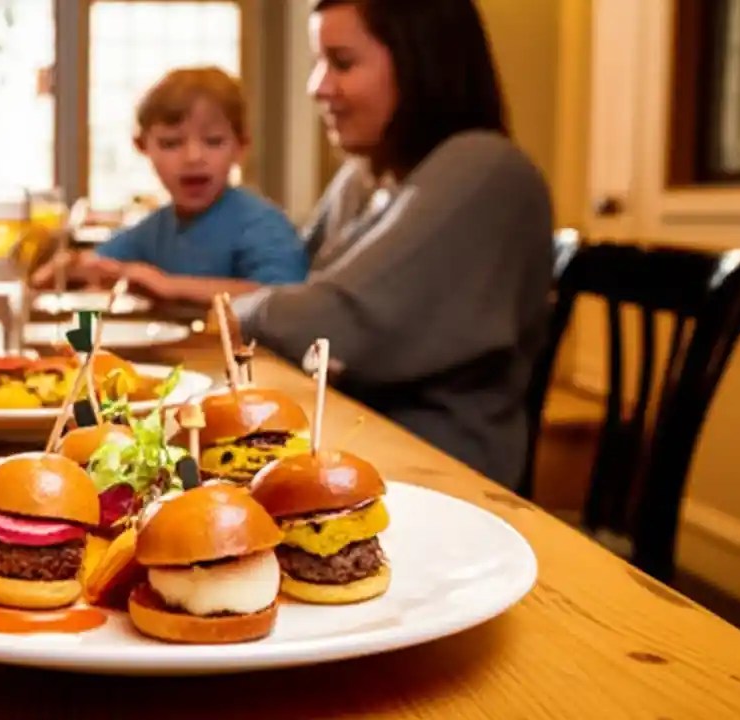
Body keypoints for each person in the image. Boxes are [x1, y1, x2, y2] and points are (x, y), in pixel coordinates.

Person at [231, 0, 554, 488]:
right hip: (354, 436)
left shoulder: (485, 168)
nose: (317, 86)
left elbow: (328, 322)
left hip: (442, 471)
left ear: (421, 61)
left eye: (341, 62)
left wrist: (226, 308)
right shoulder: (364, 174)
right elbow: (290, 280)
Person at [32, 67, 306, 304]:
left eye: (213, 141)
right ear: (142, 147)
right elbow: (99, 264)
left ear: (241, 147)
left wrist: (167, 286)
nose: (193, 158)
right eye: (171, 143)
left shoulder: (261, 223)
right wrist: (69, 267)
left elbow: (282, 299)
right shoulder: (154, 229)